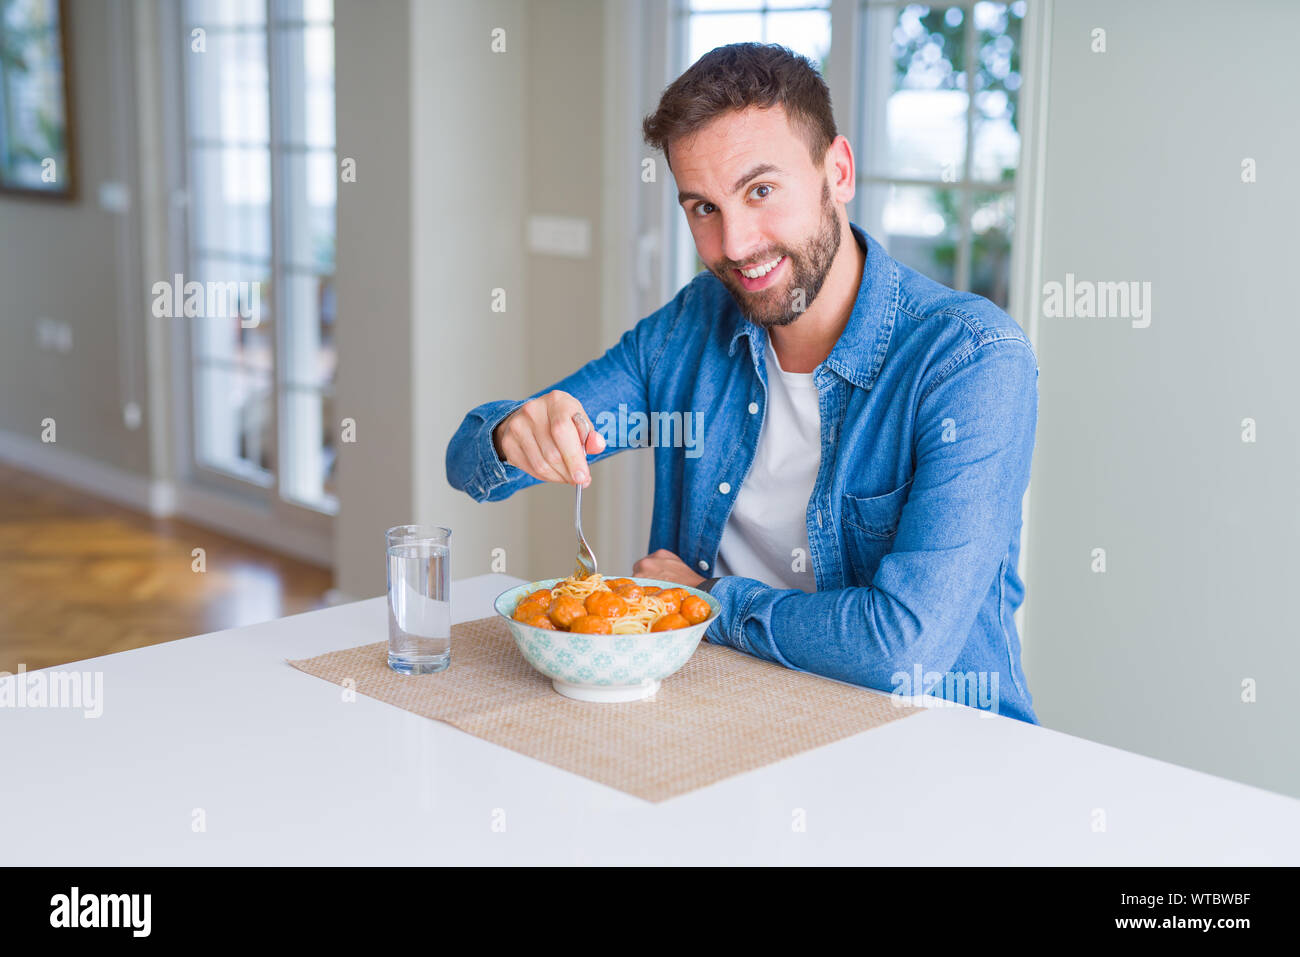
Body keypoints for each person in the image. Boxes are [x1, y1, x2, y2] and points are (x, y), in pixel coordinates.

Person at [446, 43, 1039, 723]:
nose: (733, 244)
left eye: (761, 191)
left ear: (837, 172)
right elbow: (466, 466)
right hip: (725, 720)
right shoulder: (692, 327)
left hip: (935, 752)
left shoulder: (971, 361)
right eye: (702, 207)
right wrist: (511, 432)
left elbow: (902, 646)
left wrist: (704, 599)